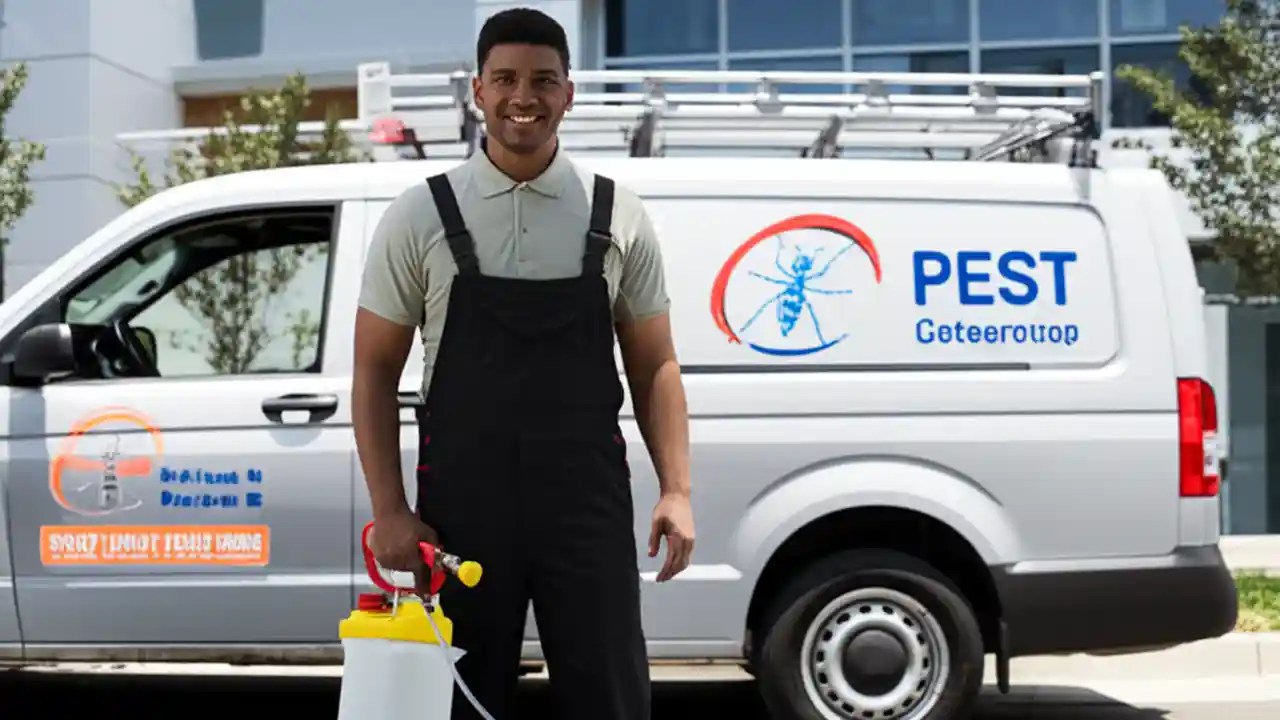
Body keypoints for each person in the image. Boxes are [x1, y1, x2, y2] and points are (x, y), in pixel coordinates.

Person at [351, 7, 695, 719]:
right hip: (460, 518)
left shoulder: (616, 212)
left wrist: (677, 489)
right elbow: (374, 373)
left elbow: (656, 365)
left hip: (586, 509)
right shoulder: (418, 216)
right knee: (458, 702)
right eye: (505, 78)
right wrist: (390, 510)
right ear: (478, 89)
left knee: (610, 699)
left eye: (543, 80)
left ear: (569, 92)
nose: (523, 96)